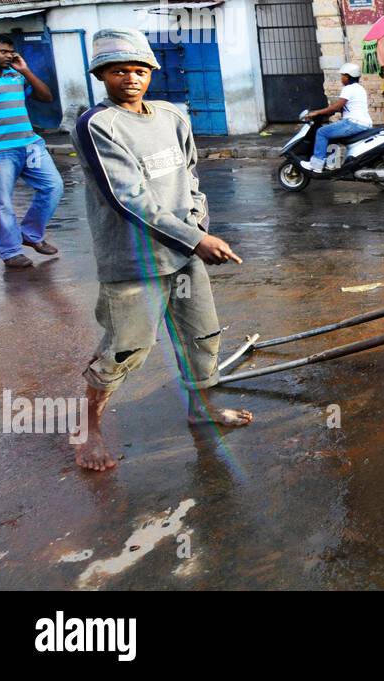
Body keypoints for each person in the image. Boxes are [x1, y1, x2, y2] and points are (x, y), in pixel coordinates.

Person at [71, 28, 251, 472]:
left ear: (151, 72)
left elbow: (190, 174)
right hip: (132, 262)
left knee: (202, 337)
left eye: (138, 69)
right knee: (124, 349)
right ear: (101, 75)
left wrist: (198, 225)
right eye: (118, 71)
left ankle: (201, 410)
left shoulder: (172, 115)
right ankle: (89, 435)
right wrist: (197, 239)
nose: (130, 78)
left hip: (185, 255)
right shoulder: (97, 125)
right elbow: (127, 198)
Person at [0, 32, 64, 269]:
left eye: (11, 51)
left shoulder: (15, 75)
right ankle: (10, 252)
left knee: (53, 186)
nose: (9, 56)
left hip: (30, 145)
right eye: (3, 51)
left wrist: (26, 70)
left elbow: (46, 96)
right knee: (2, 204)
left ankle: (30, 233)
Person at [300, 62, 373, 173]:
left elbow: (336, 106)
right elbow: (345, 107)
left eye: (342, 76)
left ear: (348, 77)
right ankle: (331, 164)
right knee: (332, 136)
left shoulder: (349, 89)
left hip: (353, 123)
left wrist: (316, 113)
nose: (341, 78)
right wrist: (329, 112)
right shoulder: (359, 88)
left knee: (321, 132)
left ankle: (316, 165)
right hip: (363, 123)